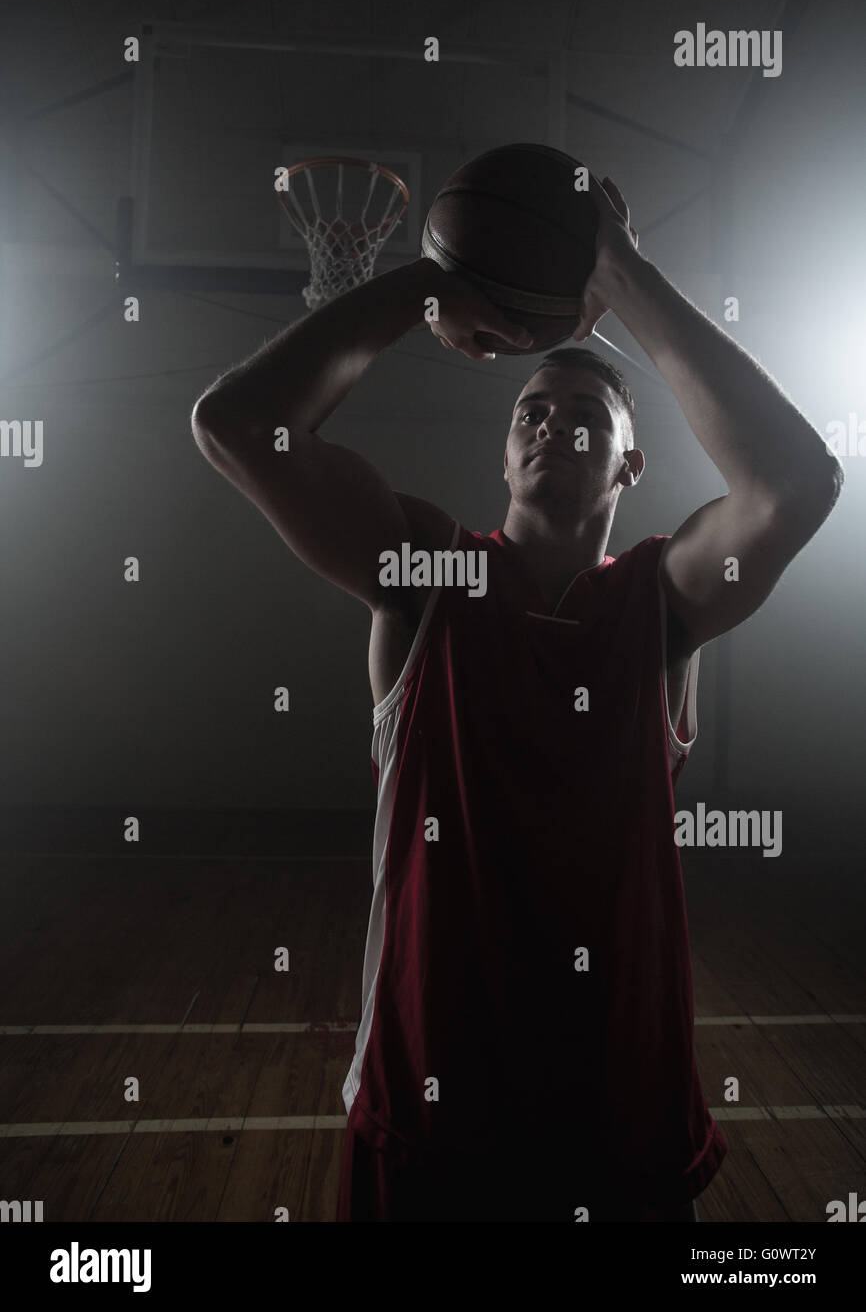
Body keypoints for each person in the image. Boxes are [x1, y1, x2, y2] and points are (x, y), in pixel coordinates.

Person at [191, 173, 842, 1222]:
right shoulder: (424, 573)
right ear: (501, 452)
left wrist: (619, 272)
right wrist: (434, 285)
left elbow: (795, 484)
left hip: (616, 1122)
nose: (551, 422)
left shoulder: (663, 603)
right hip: (435, 1116)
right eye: (531, 410)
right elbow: (235, 422)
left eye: (585, 412)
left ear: (630, 461)